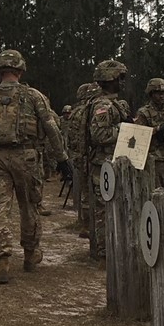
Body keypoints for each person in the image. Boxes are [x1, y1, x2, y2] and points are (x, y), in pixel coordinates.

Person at [0, 49, 69, 284]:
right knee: (29, 206)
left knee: (0, 209)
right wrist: (62, 159)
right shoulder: (33, 96)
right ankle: (31, 256)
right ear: (20, 71)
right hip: (27, 157)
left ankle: (3, 259)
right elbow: (51, 127)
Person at [85, 60, 132, 260]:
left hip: (114, 161)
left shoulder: (114, 104)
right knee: (103, 210)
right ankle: (103, 252)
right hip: (103, 164)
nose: (122, 83)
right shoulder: (102, 105)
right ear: (110, 80)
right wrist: (125, 130)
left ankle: (112, 248)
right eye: (119, 79)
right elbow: (99, 134)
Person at [63, 83, 101, 238]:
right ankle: (93, 226)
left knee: (86, 192)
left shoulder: (76, 113)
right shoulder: (90, 111)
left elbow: (70, 139)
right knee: (97, 193)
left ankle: (85, 225)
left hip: (80, 157)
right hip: (92, 157)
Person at [134, 78, 164, 192]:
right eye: (158, 93)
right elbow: (139, 135)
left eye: (163, 93)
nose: (162, 96)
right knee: (156, 193)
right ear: (151, 94)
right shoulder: (144, 113)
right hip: (155, 160)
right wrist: (158, 129)